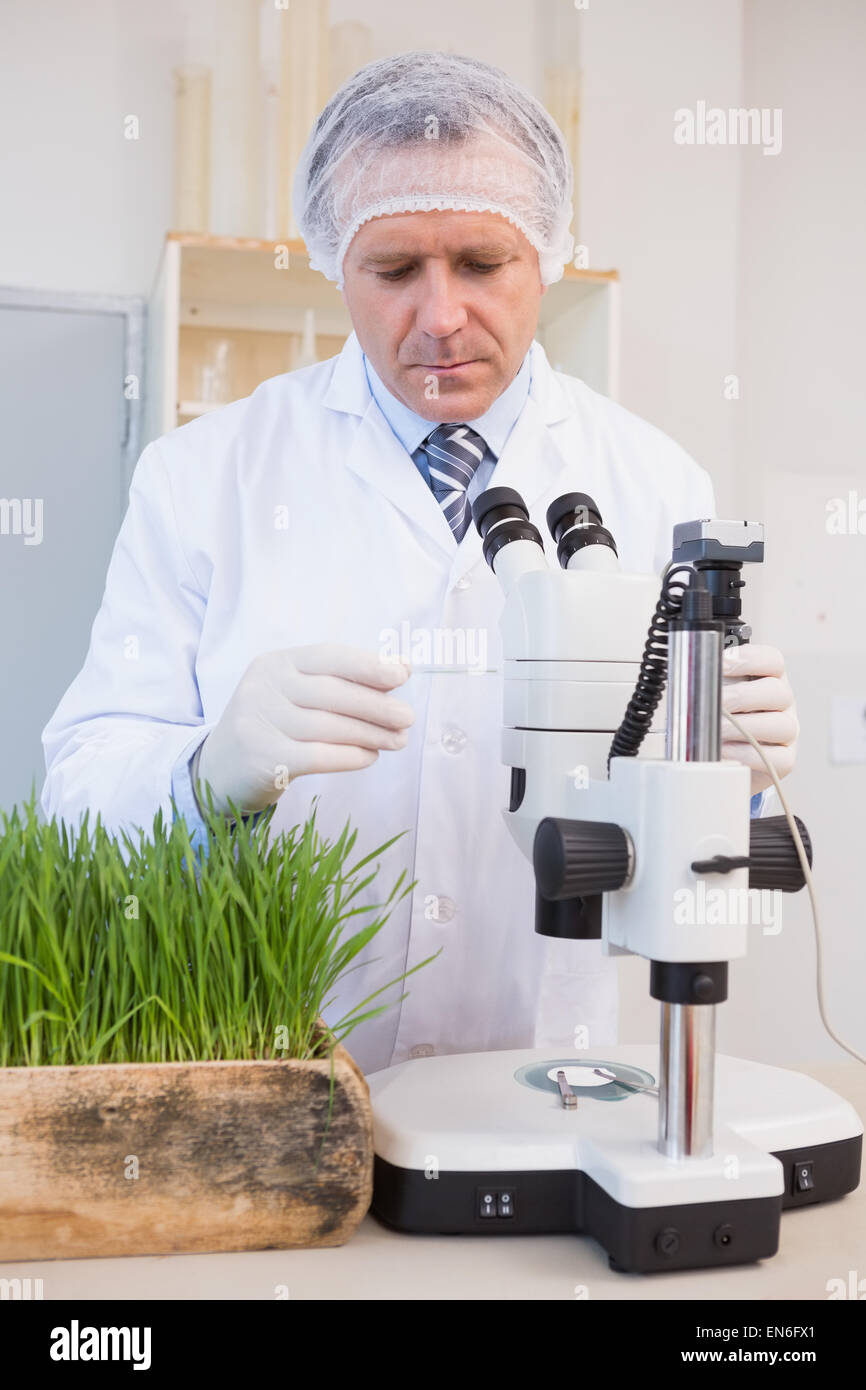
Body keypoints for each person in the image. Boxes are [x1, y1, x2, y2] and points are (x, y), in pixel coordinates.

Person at [41, 52, 799, 1075]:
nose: (438, 316)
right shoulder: (203, 475)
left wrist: (734, 784)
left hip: (548, 1085)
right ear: (327, 261)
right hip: (270, 1091)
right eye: (393, 269)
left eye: (481, 264)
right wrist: (202, 775)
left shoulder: (657, 485)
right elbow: (74, 793)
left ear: (548, 254)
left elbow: (690, 858)